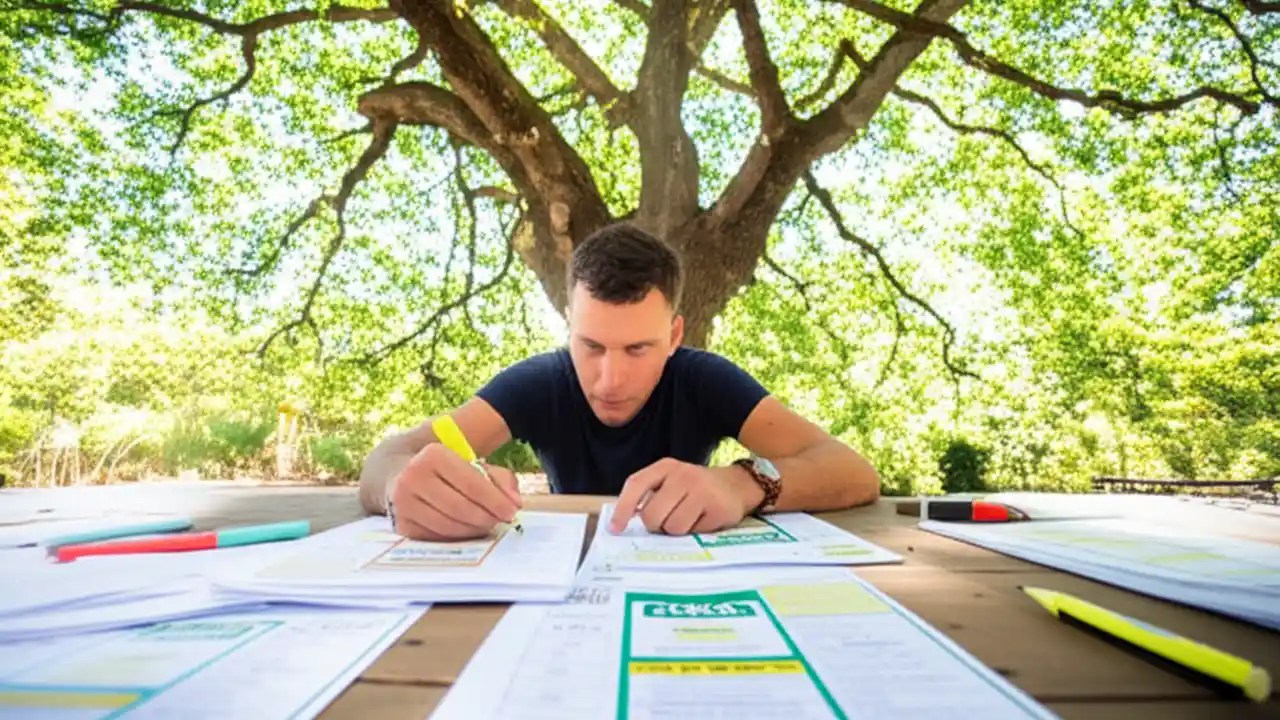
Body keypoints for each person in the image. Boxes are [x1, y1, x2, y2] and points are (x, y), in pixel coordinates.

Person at [358, 223, 880, 540]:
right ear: (569, 325)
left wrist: (741, 484)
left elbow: (853, 472)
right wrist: (398, 490)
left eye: (638, 348)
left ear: (674, 335)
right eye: (590, 346)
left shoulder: (705, 381)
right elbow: (390, 456)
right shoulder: (539, 382)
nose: (609, 379)